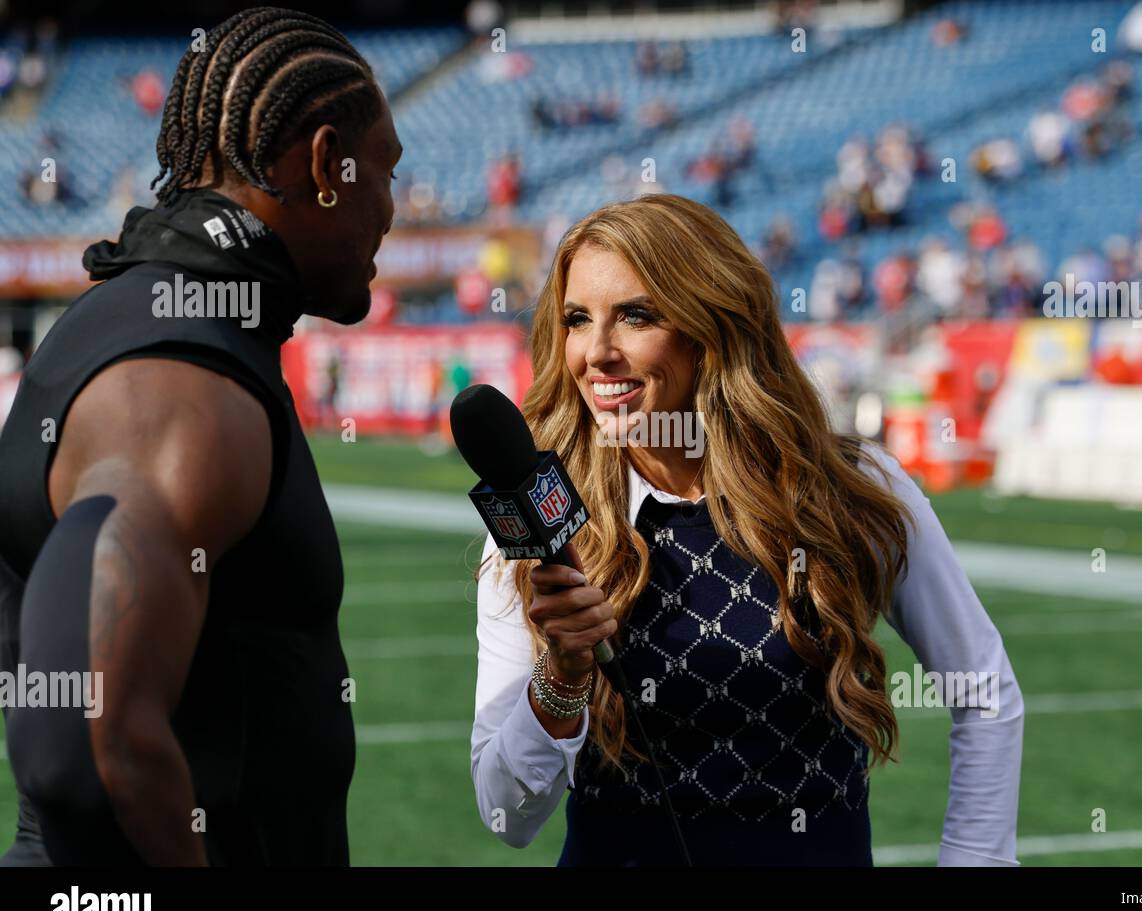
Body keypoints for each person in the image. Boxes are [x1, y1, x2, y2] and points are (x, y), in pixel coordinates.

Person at [470, 194, 1024, 865]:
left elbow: (982, 688)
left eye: (637, 316)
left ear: (712, 324)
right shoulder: (538, 518)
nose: (597, 352)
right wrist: (562, 674)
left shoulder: (849, 487)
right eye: (577, 320)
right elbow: (506, 814)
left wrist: (975, 860)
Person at [0, 6, 401, 866]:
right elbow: (81, 743)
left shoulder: (156, 317)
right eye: (385, 171)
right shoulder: (186, 383)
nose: (392, 210)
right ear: (328, 164)